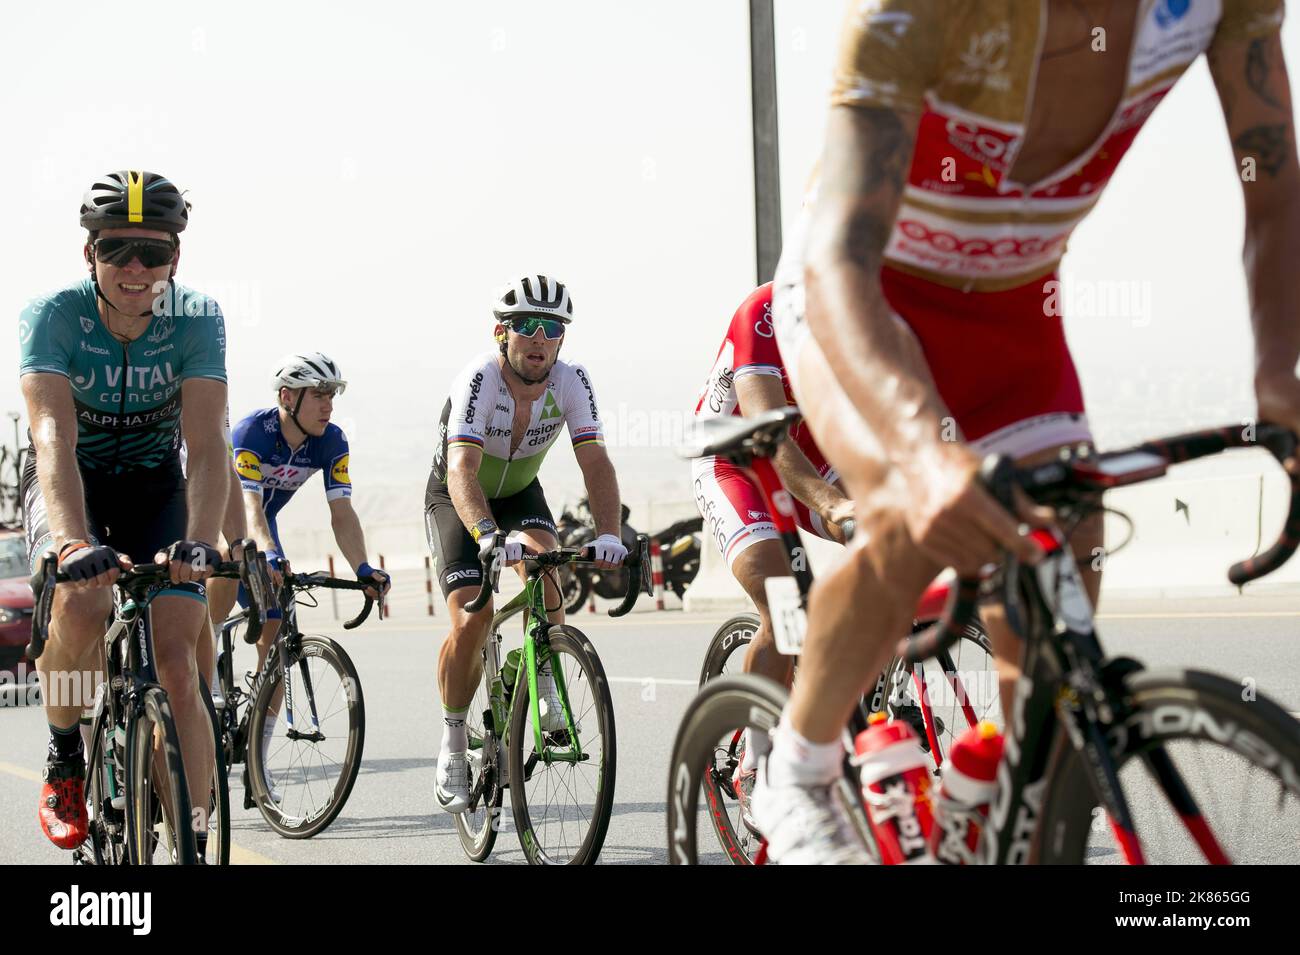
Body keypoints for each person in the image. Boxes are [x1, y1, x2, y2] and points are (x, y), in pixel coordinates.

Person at [753, 0, 1300, 863]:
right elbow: (838, 264)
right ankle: (798, 768)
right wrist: (927, 454)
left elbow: (1272, 193)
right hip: (862, 297)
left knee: (1060, 570)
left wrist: (1280, 382)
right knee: (904, 506)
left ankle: (984, 801)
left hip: (1015, 317)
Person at [19, 170, 230, 853]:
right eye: (116, 251)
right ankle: (63, 755)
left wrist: (200, 541)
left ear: (176, 257)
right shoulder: (52, 315)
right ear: (90, 254)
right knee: (80, 609)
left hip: (152, 487)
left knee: (178, 662)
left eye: (153, 251)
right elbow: (52, 435)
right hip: (70, 482)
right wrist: (74, 541)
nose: (135, 268)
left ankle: (194, 838)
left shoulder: (197, 318)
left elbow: (205, 444)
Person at [424, 275, 625, 813]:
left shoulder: (572, 381)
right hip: (457, 497)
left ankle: (549, 687)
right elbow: (463, 470)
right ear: (501, 332)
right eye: (527, 326)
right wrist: (487, 536)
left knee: (547, 576)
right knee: (473, 619)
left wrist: (610, 533)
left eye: (553, 328)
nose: (540, 338)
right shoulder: (479, 379)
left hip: (518, 494)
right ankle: (452, 739)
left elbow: (595, 462)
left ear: (563, 338)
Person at [690, 281, 853, 821]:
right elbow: (770, 436)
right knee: (785, 603)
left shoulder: (875, 307)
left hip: (805, 448)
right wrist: (833, 504)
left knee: (896, 540)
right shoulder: (762, 312)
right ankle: (754, 762)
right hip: (735, 457)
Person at [232, 353, 392, 679]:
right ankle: (208, 671)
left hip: (264, 525)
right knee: (228, 555)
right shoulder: (252, 432)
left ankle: (259, 725)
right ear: (287, 396)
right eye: (318, 394)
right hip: (229, 522)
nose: (328, 406)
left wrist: (362, 568)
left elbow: (342, 513)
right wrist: (270, 552)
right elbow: (249, 505)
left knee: (278, 638)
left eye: (331, 395)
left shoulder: (332, 441)